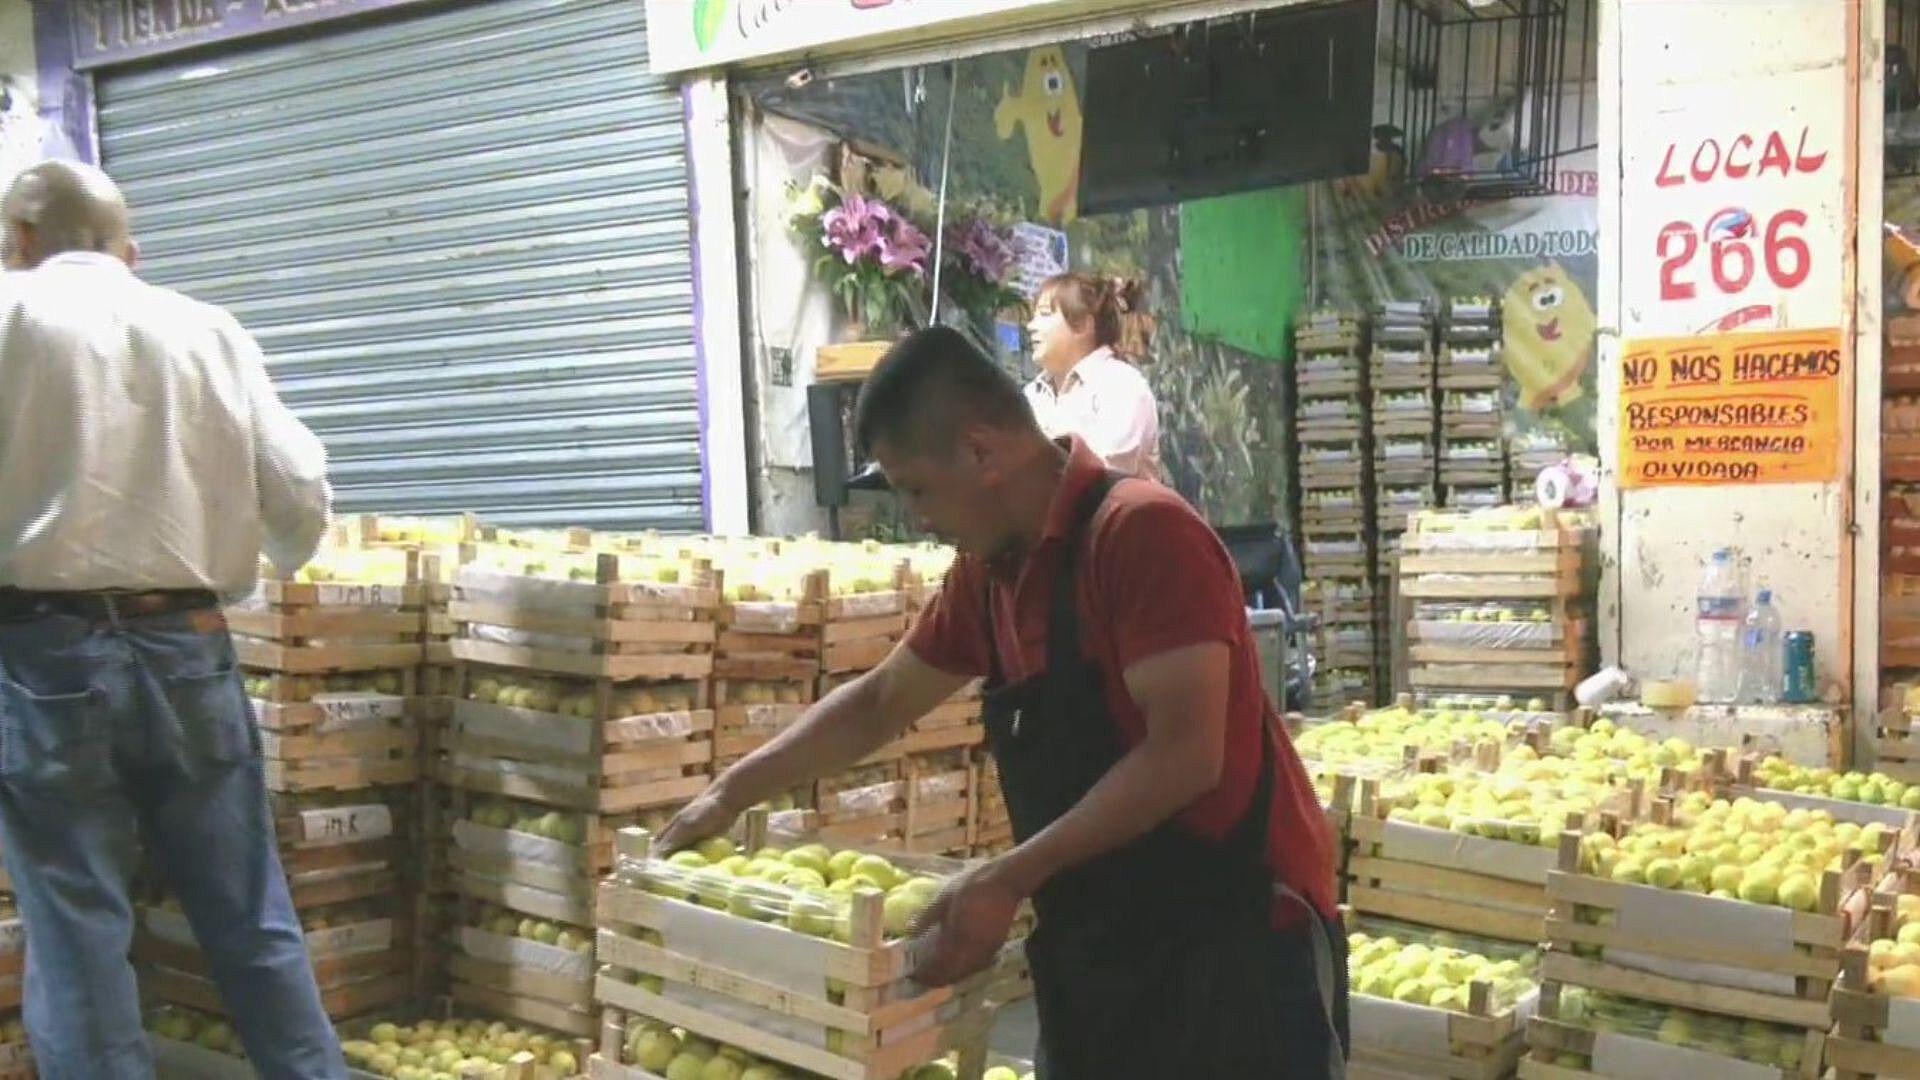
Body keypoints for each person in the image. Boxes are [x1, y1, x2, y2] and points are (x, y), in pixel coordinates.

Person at [661, 326, 1347, 1078]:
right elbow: (880, 702)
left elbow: (1185, 756)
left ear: (982, 452)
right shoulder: (989, 576)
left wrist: (1008, 875)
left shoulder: (1141, 534)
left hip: (1236, 933)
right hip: (1097, 930)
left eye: (916, 487)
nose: (917, 517)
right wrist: (727, 795)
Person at [0, 161, 344, 1078]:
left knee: (77, 924)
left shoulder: (7, 315)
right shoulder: (207, 329)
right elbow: (298, 491)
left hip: (43, 655)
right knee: (247, 911)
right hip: (190, 647)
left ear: (17, 242)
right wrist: (275, 554)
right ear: (130, 251)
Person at [1023, 272, 1163, 480]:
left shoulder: (1121, 385)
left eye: (1044, 314)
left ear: (1084, 324)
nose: (1031, 326)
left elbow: (1103, 470)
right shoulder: (1032, 393)